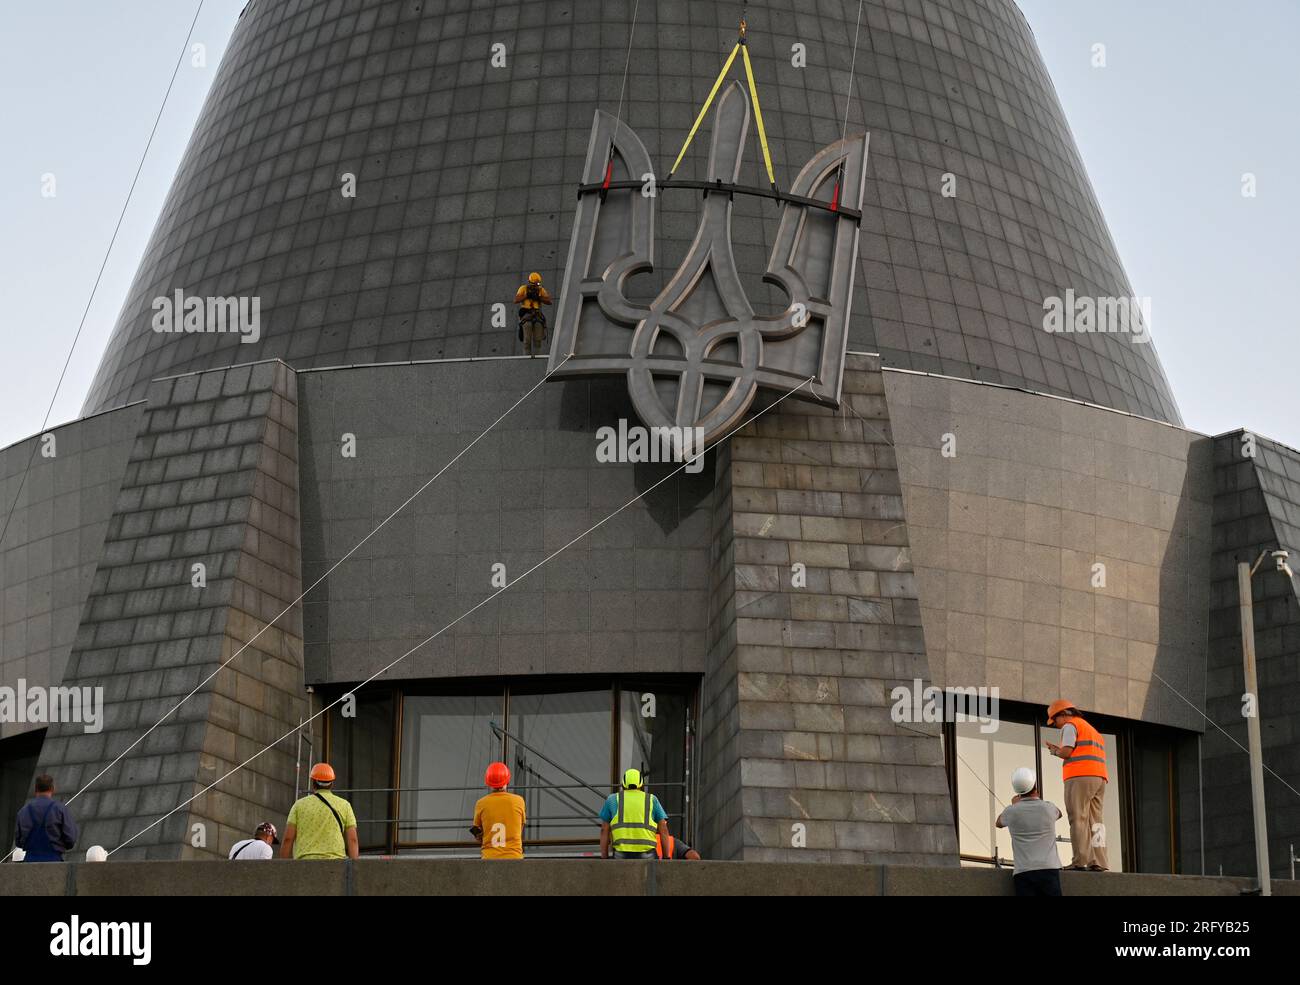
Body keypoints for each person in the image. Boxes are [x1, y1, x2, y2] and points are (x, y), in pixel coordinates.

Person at [1044, 699, 1109, 871]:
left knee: (1078, 818)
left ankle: (1079, 861)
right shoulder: (1092, 730)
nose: (1056, 725)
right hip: (1099, 778)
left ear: (1064, 714)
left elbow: (1067, 752)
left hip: (1079, 776)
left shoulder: (1070, 726)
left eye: (1055, 720)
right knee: (1096, 821)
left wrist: (1054, 751)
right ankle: (1099, 861)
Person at [995, 767, 1063, 896]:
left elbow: (998, 823)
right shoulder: (1048, 808)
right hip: (1048, 869)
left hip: (1023, 871)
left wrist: (1015, 804)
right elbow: (1059, 813)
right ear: (1035, 786)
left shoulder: (1011, 811)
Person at [281, 763, 359, 860]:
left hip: (304, 864)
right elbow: (353, 840)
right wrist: (354, 868)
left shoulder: (299, 805)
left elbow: (288, 839)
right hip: (335, 864)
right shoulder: (344, 805)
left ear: (313, 781)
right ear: (332, 783)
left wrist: (283, 868)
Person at [599, 768, 669, 859]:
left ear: (623, 784)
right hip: (647, 855)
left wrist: (604, 857)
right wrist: (666, 857)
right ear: (641, 784)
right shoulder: (652, 799)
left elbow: (604, 829)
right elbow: (663, 829)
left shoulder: (612, 800)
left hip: (621, 855)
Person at [14, 774, 78, 863]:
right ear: (53, 788)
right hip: (54, 861)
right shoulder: (60, 809)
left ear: (35, 789)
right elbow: (70, 839)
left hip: (29, 862)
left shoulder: (23, 811)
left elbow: (18, 842)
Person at [470, 761, 526, 859]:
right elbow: (520, 829)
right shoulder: (519, 801)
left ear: (488, 783)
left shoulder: (481, 803)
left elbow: (479, 837)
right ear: (507, 781)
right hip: (514, 857)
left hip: (490, 858)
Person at [514, 272, 552, 356]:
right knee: (527, 340)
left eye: (536, 285)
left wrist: (539, 297)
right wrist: (527, 295)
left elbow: (549, 301)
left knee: (538, 339)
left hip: (537, 314)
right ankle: (526, 358)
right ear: (530, 282)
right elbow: (516, 300)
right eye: (534, 285)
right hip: (526, 315)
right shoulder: (523, 288)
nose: (535, 286)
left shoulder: (540, 290)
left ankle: (537, 357)